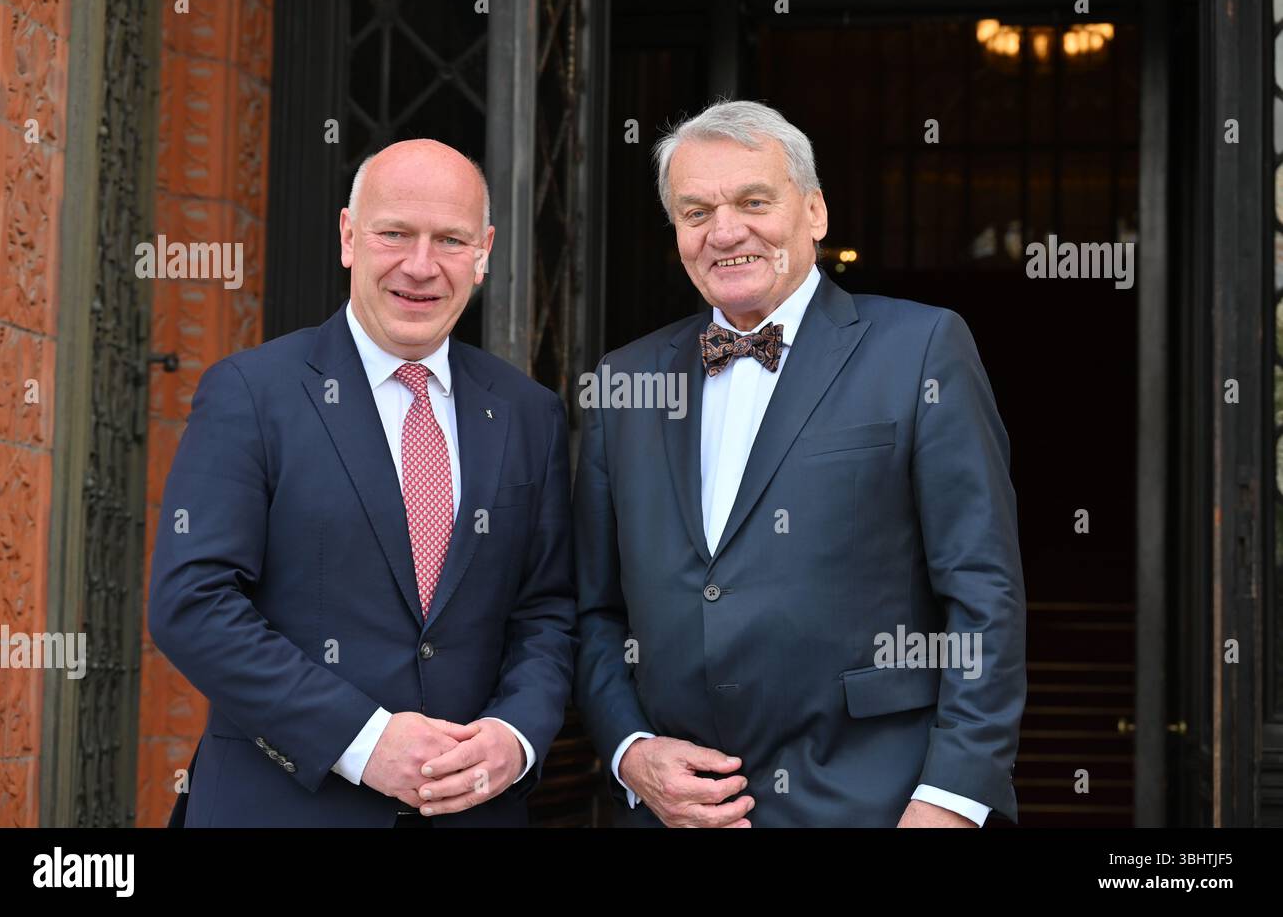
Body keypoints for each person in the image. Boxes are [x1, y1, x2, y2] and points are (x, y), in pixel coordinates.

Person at [573, 100, 1026, 827]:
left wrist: (951, 797)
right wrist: (629, 749)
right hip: (677, 814)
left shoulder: (922, 348)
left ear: (814, 211)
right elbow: (593, 608)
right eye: (696, 212)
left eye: (754, 201)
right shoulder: (625, 382)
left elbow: (983, 592)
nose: (725, 231)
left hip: (879, 804)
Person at [149, 139, 575, 827]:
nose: (421, 265)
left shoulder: (530, 414)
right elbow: (191, 603)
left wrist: (516, 736)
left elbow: (546, 611)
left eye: (451, 239)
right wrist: (364, 739)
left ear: (484, 251)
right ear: (349, 237)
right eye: (395, 234)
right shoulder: (252, 393)